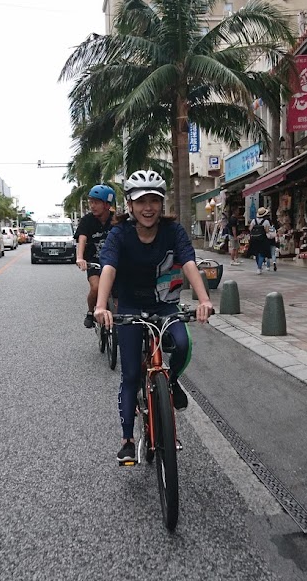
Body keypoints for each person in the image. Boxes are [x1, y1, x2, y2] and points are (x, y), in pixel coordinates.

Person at [94, 170, 214, 465]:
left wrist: (204, 300)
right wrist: (101, 306)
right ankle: (127, 439)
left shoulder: (173, 231)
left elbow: (188, 262)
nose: (148, 207)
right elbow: (108, 268)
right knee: (132, 374)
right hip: (131, 308)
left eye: (155, 200)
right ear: (130, 206)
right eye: (141, 201)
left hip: (165, 305)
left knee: (183, 345)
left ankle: (170, 383)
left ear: (162, 204)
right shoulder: (119, 234)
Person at [75, 183, 117, 328]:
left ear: (107, 204)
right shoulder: (87, 220)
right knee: (96, 287)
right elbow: (82, 238)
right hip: (94, 261)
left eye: (96, 202)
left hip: (114, 262)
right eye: (91, 202)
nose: (92, 206)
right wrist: (80, 258)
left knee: (121, 292)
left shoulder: (117, 220)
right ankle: (90, 312)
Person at [247, 207, 276, 274]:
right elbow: (267, 231)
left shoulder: (254, 220)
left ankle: (258, 266)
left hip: (254, 239)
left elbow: (250, 229)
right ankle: (259, 268)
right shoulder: (266, 222)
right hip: (262, 239)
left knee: (256, 254)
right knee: (262, 254)